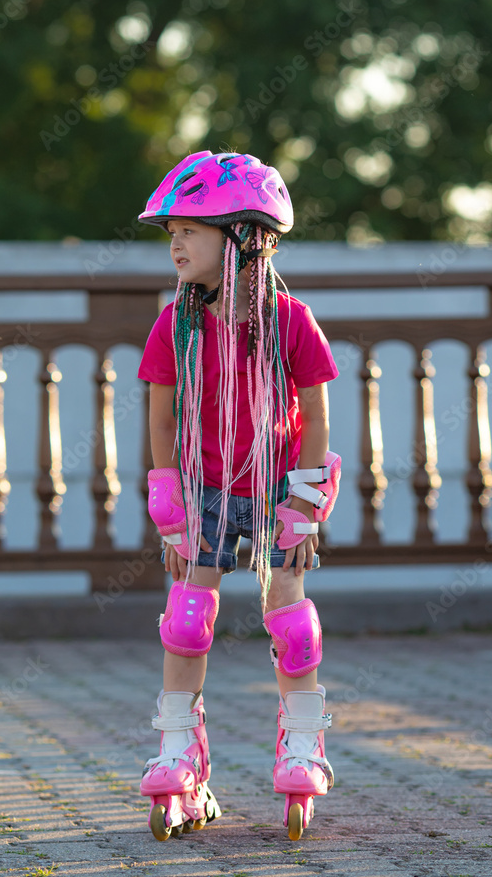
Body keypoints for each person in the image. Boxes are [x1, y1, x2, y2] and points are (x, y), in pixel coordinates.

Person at [135, 150, 340, 841]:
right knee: (187, 617)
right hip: (206, 487)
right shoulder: (175, 324)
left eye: (189, 229)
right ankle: (176, 752)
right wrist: (166, 495)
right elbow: (162, 416)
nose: (174, 242)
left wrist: (305, 500)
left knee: (289, 616)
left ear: (245, 238)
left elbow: (313, 412)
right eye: (171, 230)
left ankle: (301, 745)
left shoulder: (289, 319)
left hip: (279, 481)